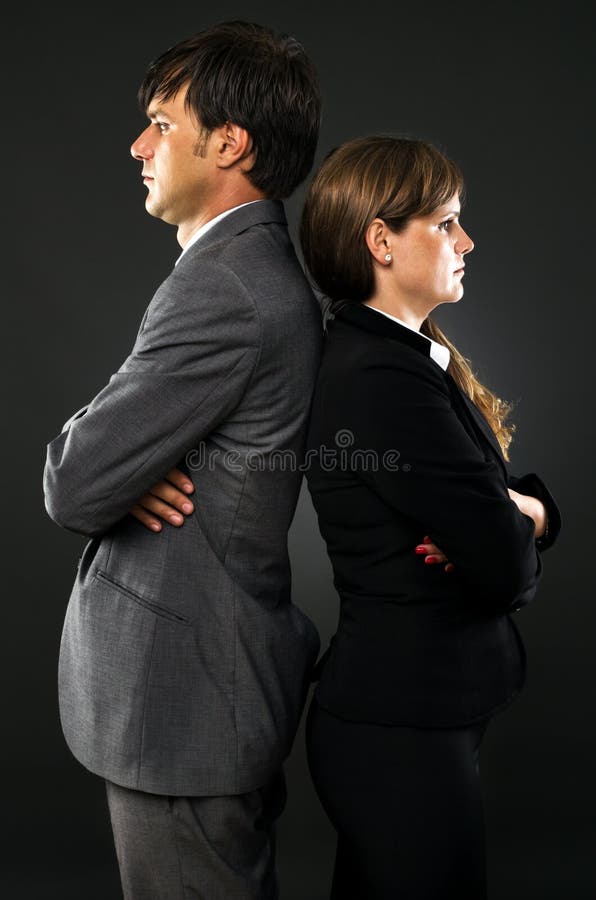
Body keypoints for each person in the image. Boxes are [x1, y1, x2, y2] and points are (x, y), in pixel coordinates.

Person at [43, 21, 322, 900]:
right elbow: (112, 464)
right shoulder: (244, 269)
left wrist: (119, 466)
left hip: (186, 700)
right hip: (205, 681)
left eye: (162, 123)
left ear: (229, 143)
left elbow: (75, 480)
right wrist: (133, 460)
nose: (138, 146)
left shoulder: (224, 287)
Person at [298, 136, 561, 899]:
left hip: (409, 720)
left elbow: (497, 518)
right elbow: (505, 565)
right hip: (397, 732)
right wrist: (518, 523)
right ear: (380, 239)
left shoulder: (404, 355)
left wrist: (520, 511)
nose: (466, 240)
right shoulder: (380, 375)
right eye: (446, 223)